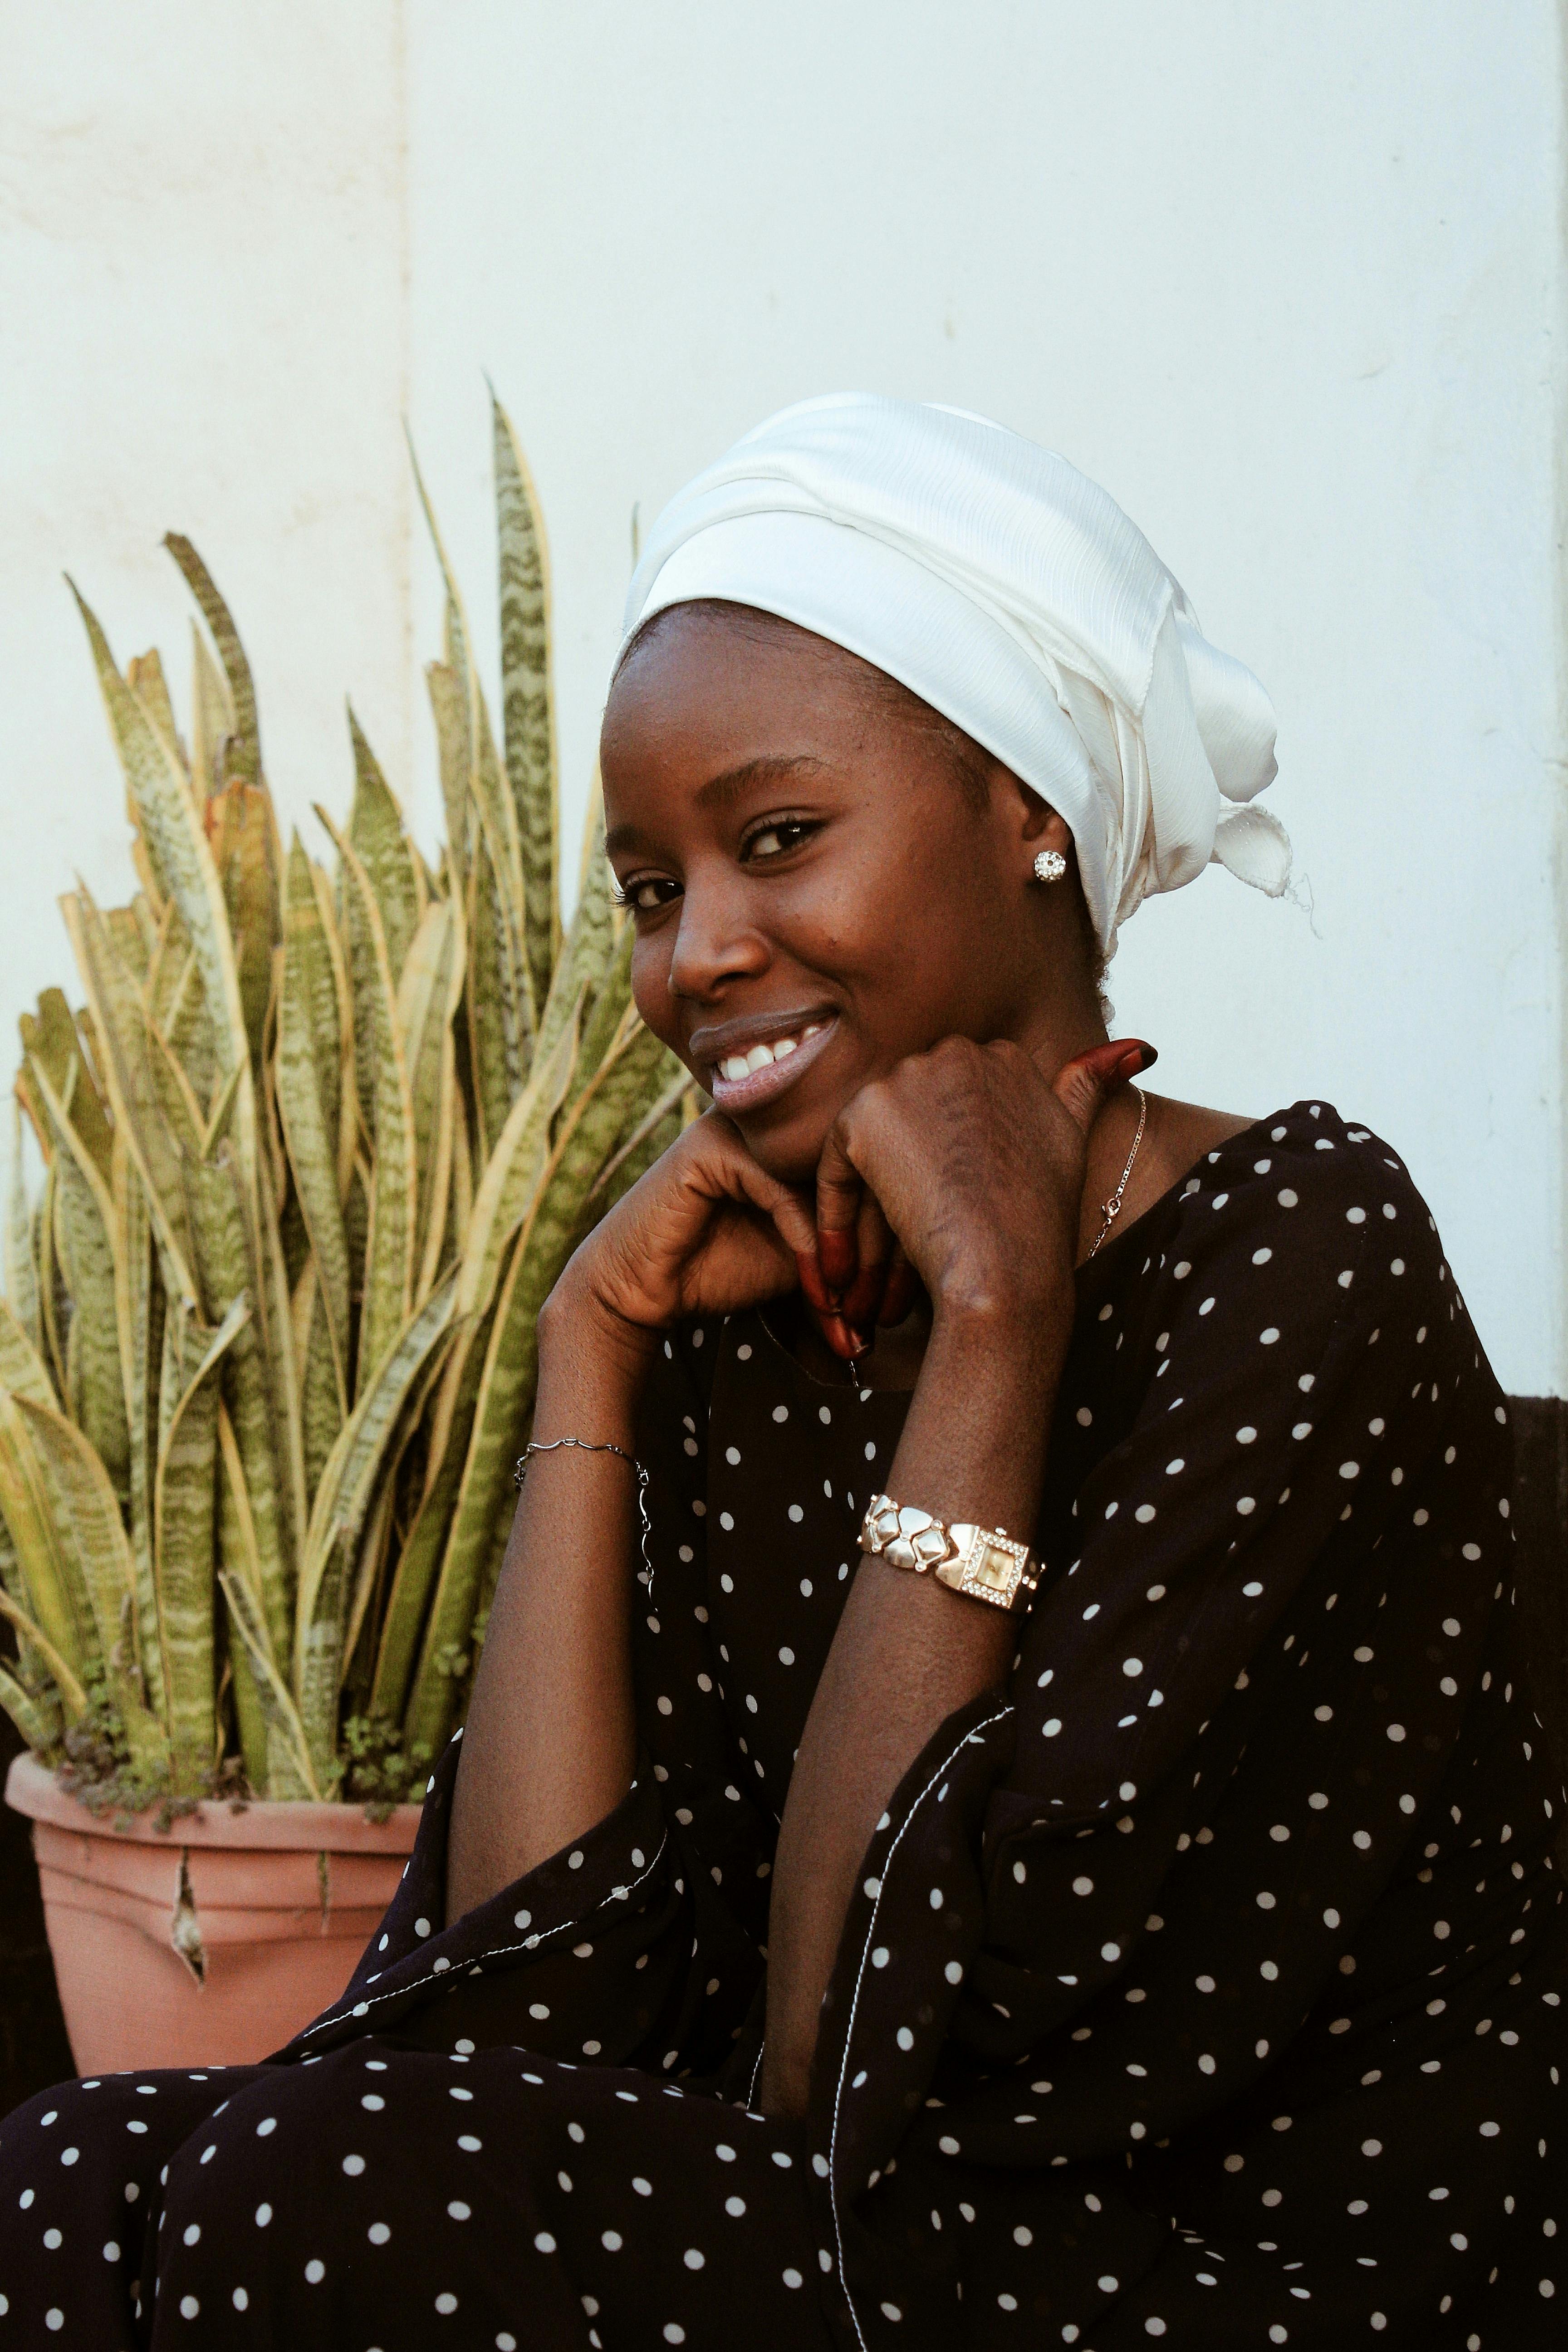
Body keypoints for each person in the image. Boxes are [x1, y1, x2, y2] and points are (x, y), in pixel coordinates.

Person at [2, 393, 1562, 2349]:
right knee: (56, 2194)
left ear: (1031, 813)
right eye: (656, 891)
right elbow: (523, 1993)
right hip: (837, 2228)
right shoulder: (752, 1296)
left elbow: (878, 2064)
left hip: (1216, 2266)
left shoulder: (1306, 1248)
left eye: (780, 839)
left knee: (340, 2198)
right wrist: (591, 1346)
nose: (698, 957)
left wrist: (995, 1333)